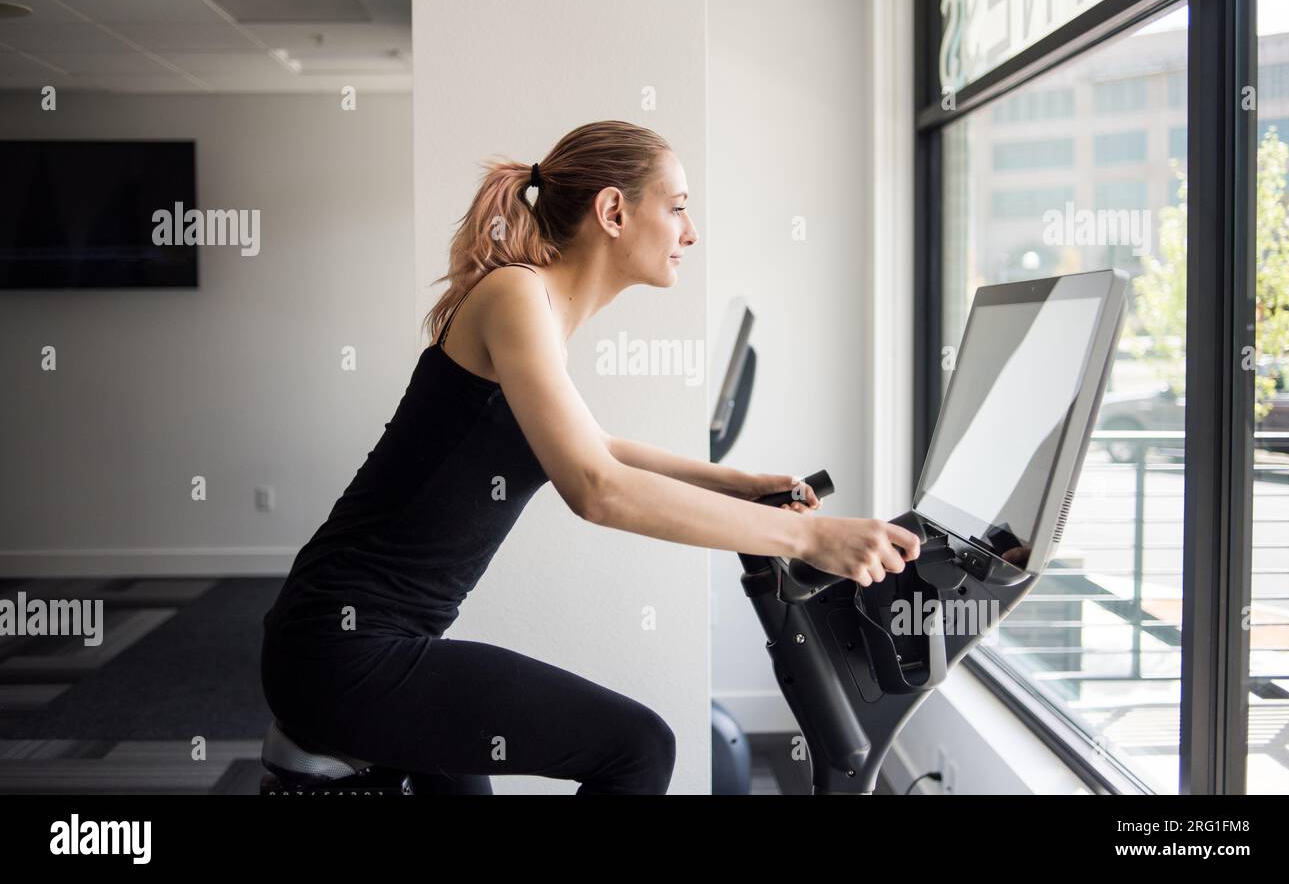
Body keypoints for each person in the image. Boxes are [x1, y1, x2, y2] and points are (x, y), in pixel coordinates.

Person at [260, 120, 921, 795]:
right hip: (341, 651)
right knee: (639, 748)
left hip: (370, 643)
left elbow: (599, 448)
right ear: (613, 211)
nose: (689, 233)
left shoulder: (534, 306)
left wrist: (740, 485)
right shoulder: (516, 296)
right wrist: (810, 534)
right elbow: (595, 486)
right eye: (678, 207)